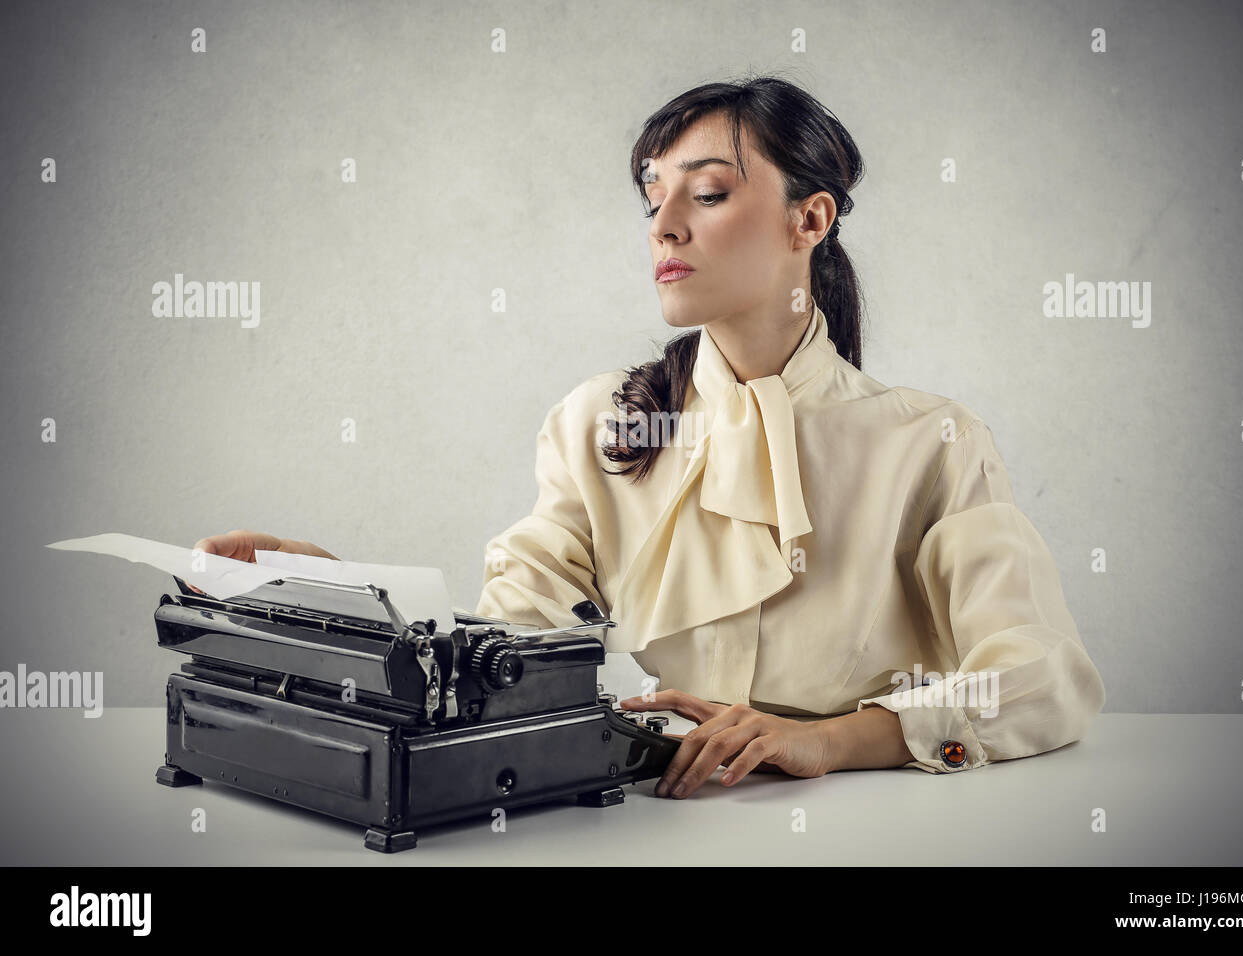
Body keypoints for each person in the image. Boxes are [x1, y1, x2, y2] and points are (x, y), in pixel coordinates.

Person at [197, 76, 1105, 802]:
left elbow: (1042, 678)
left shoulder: (931, 442)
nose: (665, 223)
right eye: (653, 196)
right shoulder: (603, 425)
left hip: (875, 830)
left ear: (811, 220)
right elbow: (506, 640)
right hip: (644, 823)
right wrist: (346, 595)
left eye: (708, 192)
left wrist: (826, 740)